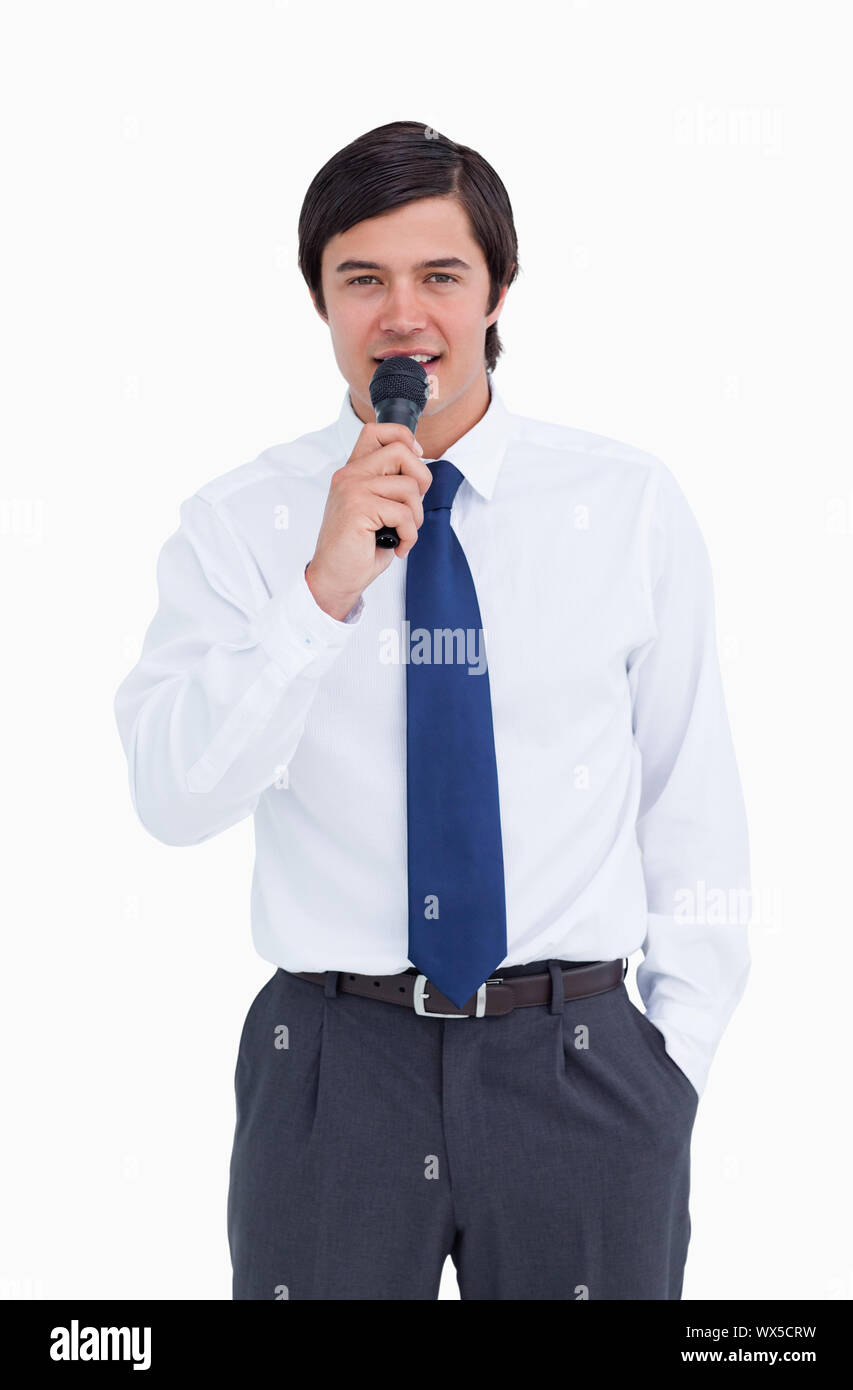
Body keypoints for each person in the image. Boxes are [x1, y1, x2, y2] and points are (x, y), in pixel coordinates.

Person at [113, 120, 751, 1301]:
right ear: (319, 298)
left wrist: (671, 1067)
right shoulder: (238, 526)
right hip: (334, 1072)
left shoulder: (625, 507)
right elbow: (172, 797)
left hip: (577, 1068)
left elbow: (687, 799)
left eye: (439, 276)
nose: (402, 314)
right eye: (363, 278)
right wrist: (321, 593)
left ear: (497, 288)